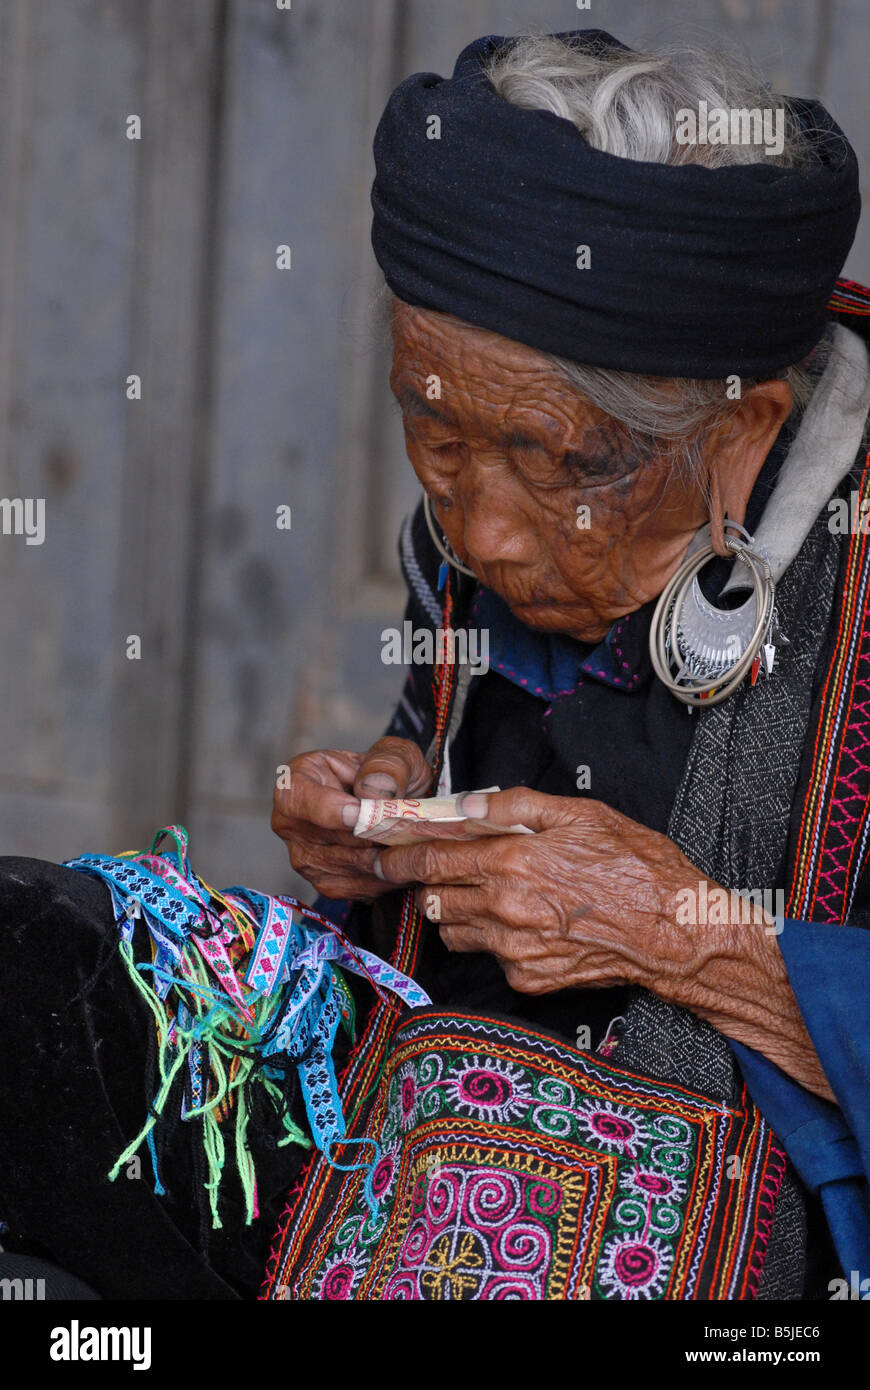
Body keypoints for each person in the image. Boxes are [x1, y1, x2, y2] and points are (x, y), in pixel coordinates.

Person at [2, 28, 869, 1301]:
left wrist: (691, 939)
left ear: (740, 431)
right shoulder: (492, 497)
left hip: (730, 1201)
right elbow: (458, 720)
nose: (484, 527)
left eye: (563, 464)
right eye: (434, 430)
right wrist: (395, 802)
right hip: (409, 1092)